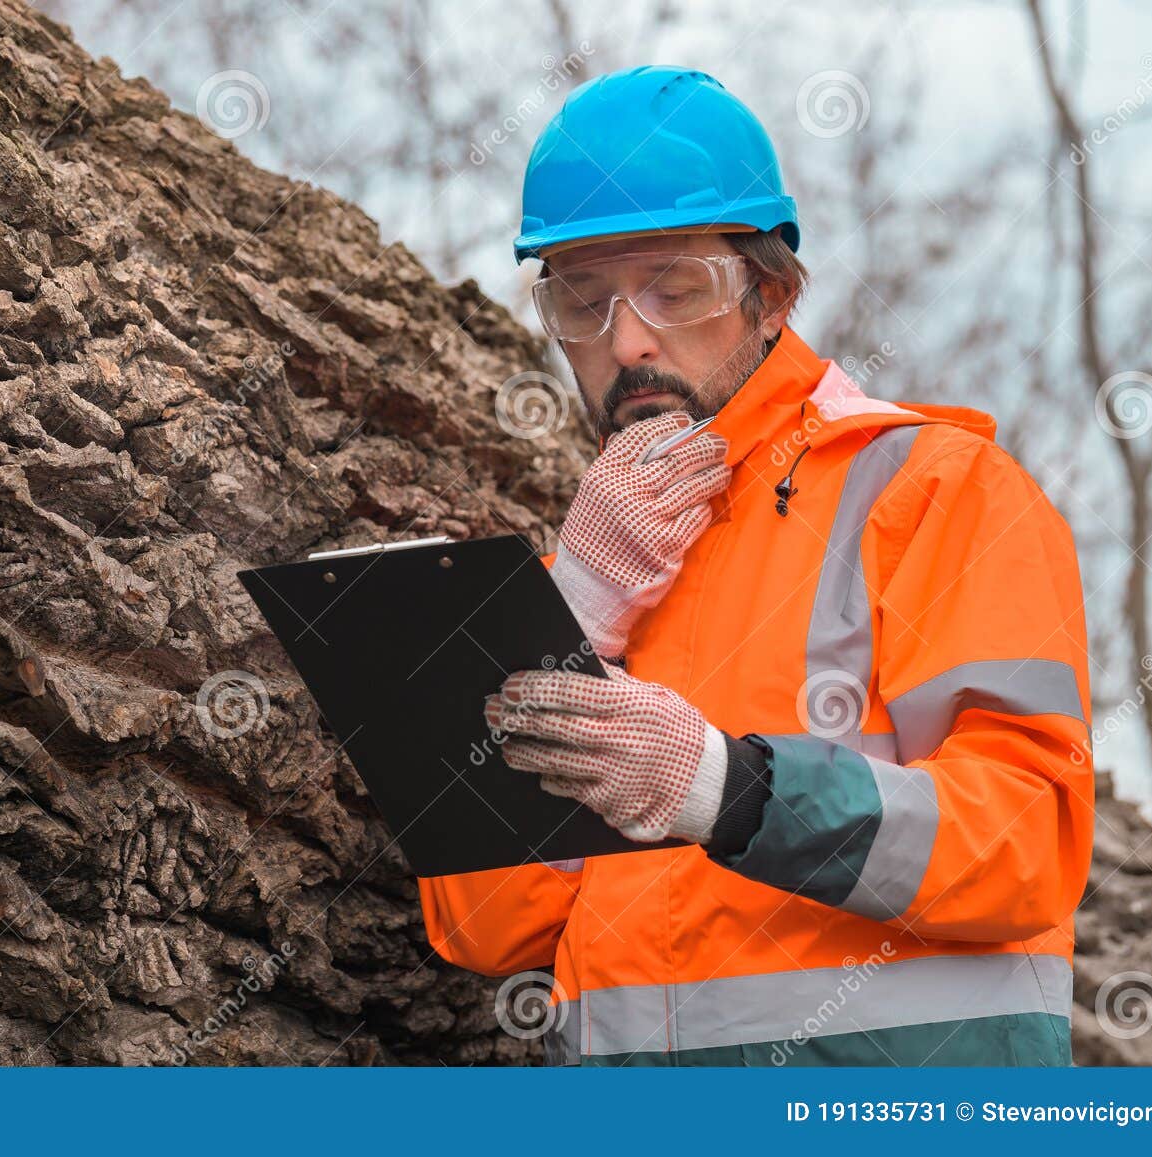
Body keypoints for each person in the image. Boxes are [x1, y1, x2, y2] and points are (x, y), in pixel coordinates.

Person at [417, 66, 1093, 1066]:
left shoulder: (937, 490)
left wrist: (725, 787)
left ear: (770, 295)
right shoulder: (589, 564)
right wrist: (577, 610)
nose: (627, 341)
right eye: (582, 300)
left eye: (671, 290)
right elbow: (483, 926)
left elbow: (1026, 847)